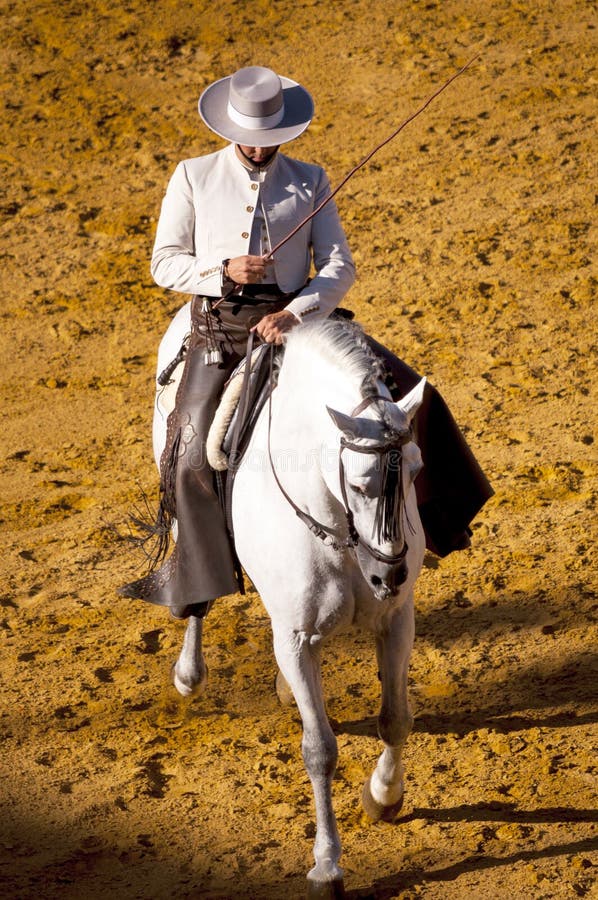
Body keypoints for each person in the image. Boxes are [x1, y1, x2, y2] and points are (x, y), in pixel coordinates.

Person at [120, 65, 492, 618]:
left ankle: (431, 521)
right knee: (193, 456)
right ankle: (195, 576)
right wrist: (224, 271)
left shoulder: (310, 179)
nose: (260, 149)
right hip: (221, 326)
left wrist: (295, 312)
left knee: (411, 398)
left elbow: (339, 263)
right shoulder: (193, 176)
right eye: (251, 138)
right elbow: (163, 263)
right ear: (231, 131)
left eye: (270, 140)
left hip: (301, 324)